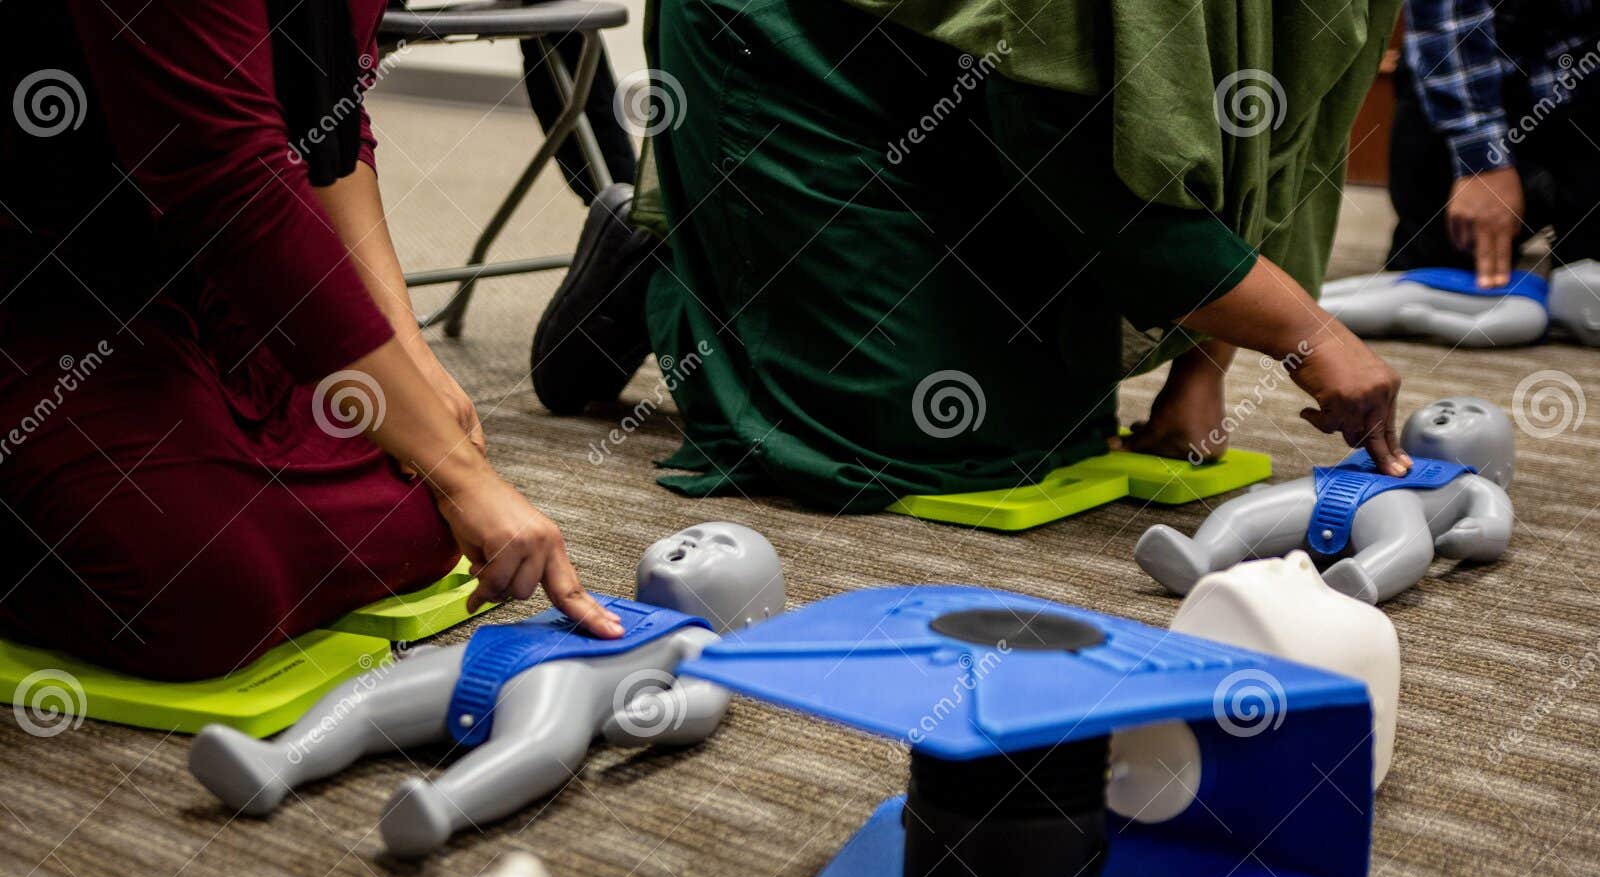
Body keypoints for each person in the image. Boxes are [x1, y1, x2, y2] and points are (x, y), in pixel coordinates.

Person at [533, 0, 1414, 515]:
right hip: (785, 26)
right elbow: (1078, 166)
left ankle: (719, 243)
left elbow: (1286, 143)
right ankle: (675, 248)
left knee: (1048, 430)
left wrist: (1204, 365)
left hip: (965, 57)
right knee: (901, 436)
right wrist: (1311, 335)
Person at [0, 0, 621, 682]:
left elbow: (335, 133)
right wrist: (463, 473)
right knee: (206, 594)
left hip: (195, 264)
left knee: (416, 516)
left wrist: (412, 364)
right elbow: (226, 175)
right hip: (48, 273)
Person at [1388, 0, 1600, 288]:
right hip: (1471, 88)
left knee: (1585, 292)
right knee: (1444, 284)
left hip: (1583, 91)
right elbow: (1446, 21)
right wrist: (1480, 161)